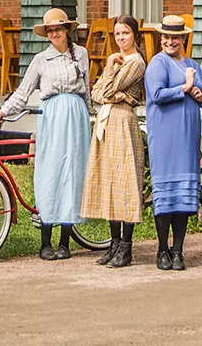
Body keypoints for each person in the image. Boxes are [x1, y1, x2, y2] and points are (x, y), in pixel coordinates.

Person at [0, 7, 89, 261]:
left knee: (73, 173)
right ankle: (45, 241)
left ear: (67, 30)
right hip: (52, 116)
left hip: (76, 116)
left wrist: (93, 116)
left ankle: (65, 241)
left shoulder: (81, 54)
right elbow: (23, 93)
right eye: (50, 30)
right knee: (50, 172)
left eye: (58, 29)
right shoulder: (40, 60)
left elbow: (86, 90)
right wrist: (3, 111)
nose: (54, 34)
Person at [144, 14, 202, 271]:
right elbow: (157, 94)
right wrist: (184, 87)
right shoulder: (157, 64)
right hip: (165, 136)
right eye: (167, 37)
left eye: (176, 37)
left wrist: (196, 92)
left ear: (183, 39)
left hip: (186, 137)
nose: (171, 41)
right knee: (166, 196)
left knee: (183, 197)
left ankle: (178, 250)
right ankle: (162, 250)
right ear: (162, 39)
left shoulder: (192, 63)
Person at [82, 13, 147, 267]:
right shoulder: (117, 60)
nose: (121, 38)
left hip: (122, 121)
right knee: (109, 179)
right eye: (117, 34)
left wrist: (109, 68)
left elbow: (105, 90)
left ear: (135, 35)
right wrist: (112, 89)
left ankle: (127, 247)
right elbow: (96, 92)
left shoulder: (135, 62)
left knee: (124, 181)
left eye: (126, 33)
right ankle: (114, 244)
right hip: (107, 120)